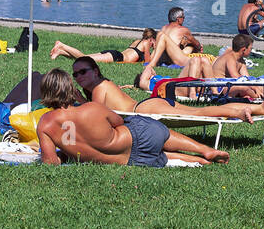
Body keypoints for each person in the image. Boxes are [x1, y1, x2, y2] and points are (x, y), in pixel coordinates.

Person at [35, 69, 229, 167]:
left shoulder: (46, 123)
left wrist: (68, 151)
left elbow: (50, 162)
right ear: (70, 88)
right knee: (156, 132)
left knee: (160, 156)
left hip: (129, 160)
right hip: (137, 138)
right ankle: (205, 150)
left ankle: (195, 160)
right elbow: (119, 121)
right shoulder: (91, 108)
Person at [71, 56, 264, 124]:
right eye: (76, 75)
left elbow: (94, 117)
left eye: (83, 72)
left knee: (201, 113)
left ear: (96, 71)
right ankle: (261, 107)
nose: (79, 77)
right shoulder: (102, 86)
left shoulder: (100, 87)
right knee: (199, 112)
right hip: (149, 106)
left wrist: (77, 101)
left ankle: (247, 111)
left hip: (145, 110)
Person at [50, 29, 157, 65]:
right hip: (117, 57)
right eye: (155, 41)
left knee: (83, 58)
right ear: (151, 39)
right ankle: (62, 45)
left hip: (115, 54)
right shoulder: (146, 43)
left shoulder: (138, 41)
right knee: (84, 59)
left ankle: (60, 52)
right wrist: (156, 48)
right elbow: (148, 62)